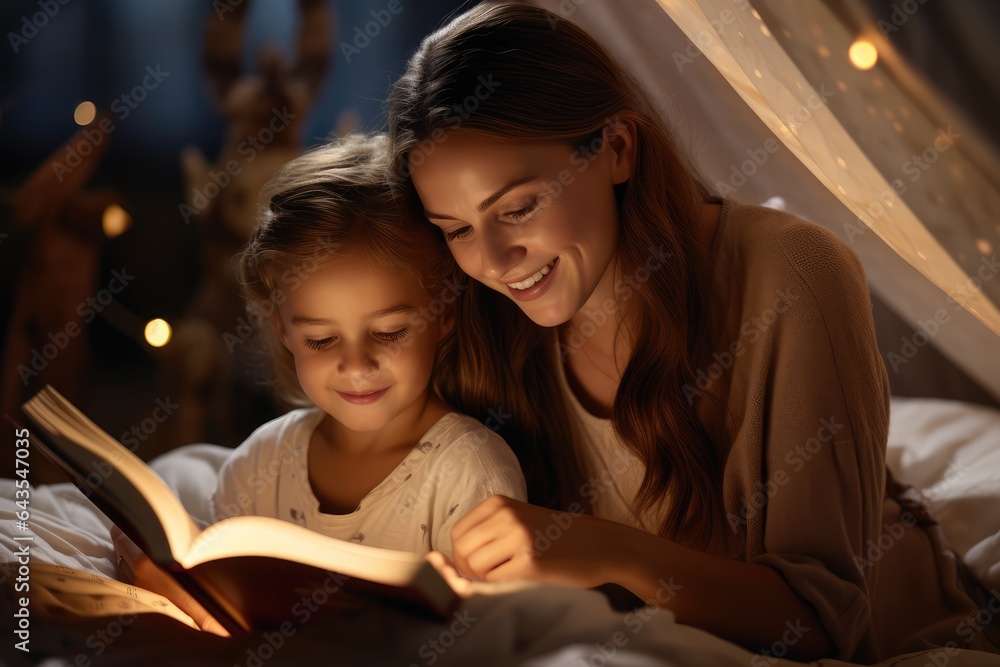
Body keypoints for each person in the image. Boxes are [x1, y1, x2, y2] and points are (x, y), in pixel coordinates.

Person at [386, 3, 1000, 663]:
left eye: (519, 207)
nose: (495, 260)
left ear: (617, 149)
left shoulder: (792, 271)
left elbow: (822, 621)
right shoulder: (486, 321)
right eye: (456, 229)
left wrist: (607, 550)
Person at [114, 133, 526, 631]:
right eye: (322, 341)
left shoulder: (471, 477)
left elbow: (493, 637)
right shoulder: (259, 465)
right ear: (282, 330)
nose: (356, 365)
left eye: (389, 332)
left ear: (444, 314)